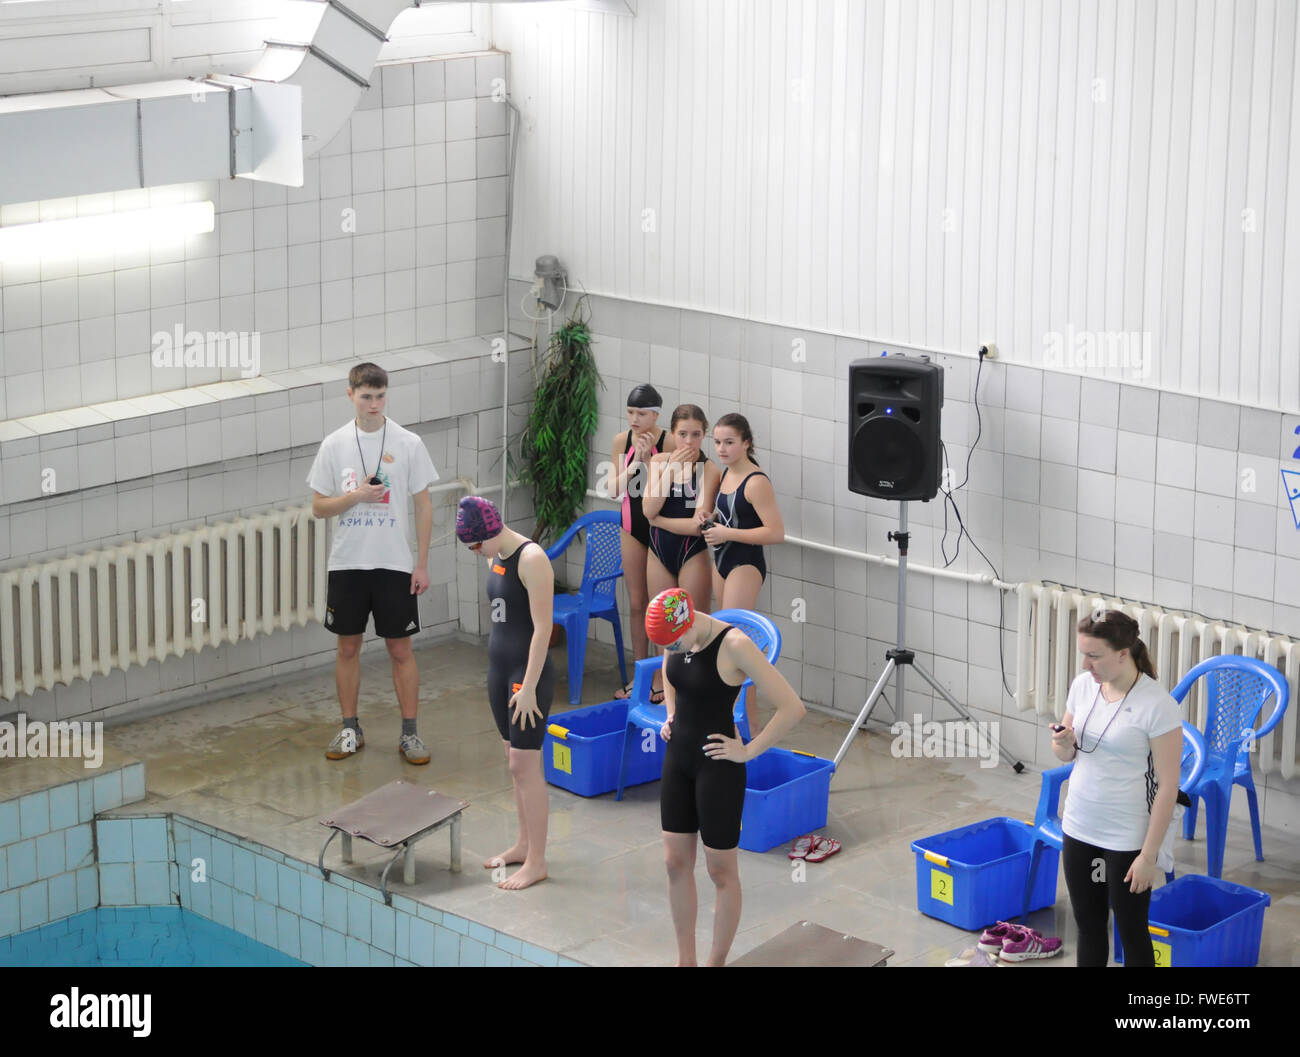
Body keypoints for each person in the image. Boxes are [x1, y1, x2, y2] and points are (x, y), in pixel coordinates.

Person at [646, 587, 806, 967]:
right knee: (674, 863)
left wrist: (748, 751)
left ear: (689, 621)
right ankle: (686, 961)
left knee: (720, 870)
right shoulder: (675, 633)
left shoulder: (734, 644)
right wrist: (670, 713)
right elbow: (670, 672)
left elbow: (791, 707)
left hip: (718, 766)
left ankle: (715, 963)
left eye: (675, 641)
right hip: (678, 758)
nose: (674, 648)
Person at [308, 362, 437, 764]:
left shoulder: (409, 443)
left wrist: (422, 563)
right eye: (366, 396)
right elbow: (318, 508)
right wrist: (356, 497)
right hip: (348, 563)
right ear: (351, 395)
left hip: (394, 563)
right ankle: (350, 728)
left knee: (401, 648)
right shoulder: (334, 445)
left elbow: (423, 505)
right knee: (348, 646)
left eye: (380, 396)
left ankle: (410, 735)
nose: (374, 404)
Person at [1051, 610, 1182, 967]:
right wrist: (1064, 743)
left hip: (1127, 837)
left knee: (1132, 932)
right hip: (1079, 826)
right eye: (1083, 654)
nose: (1085, 664)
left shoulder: (1157, 705)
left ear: (1123, 653)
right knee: (1089, 927)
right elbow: (1066, 751)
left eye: (1094, 656)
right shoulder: (1082, 686)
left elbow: (1169, 786)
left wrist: (1149, 855)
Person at [456, 496, 556, 891]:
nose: (475, 553)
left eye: (477, 544)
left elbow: (543, 629)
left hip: (526, 674)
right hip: (499, 669)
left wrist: (529, 686)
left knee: (524, 766)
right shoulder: (493, 556)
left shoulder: (532, 559)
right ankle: (523, 843)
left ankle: (538, 861)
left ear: (493, 531)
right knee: (512, 760)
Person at [699, 413, 784, 732]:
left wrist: (727, 534)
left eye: (729, 442)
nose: (721, 448)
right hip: (722, 559)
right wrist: (711, 518)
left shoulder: (756, 482)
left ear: (746, 443)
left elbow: (776, 532)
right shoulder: (726, 474)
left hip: (744, 564)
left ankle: (750, 726)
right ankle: (733, 719)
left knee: (738, 647)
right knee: (728, 643)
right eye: (718, 442)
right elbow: (732, 517)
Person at [643, 405, 721, 692]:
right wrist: (670, 470)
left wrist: (659, 521)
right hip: (658, 553)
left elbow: (695, 526)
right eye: (683, 434)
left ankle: (695, 688)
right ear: (672, 433)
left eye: (696, 435)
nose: (689, 442)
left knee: (694, 625)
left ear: (704, 435)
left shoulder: (709, 470)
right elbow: (647, 507)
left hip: (692, 554)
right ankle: (665, 686)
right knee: (662, 624)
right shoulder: (659, 461)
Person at [606, 384, 675, 701]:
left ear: (656, 414)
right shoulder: (622, 441)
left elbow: (677, 489)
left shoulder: (670, 441)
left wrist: (652, 460)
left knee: (660, 606)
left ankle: (662, 678)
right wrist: (636, 462)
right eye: (631, 412)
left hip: (661, 527)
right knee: (636, 604)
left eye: (642, 413)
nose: (634, 418)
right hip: (631, 525)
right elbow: (612, 489)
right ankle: (640, 675)